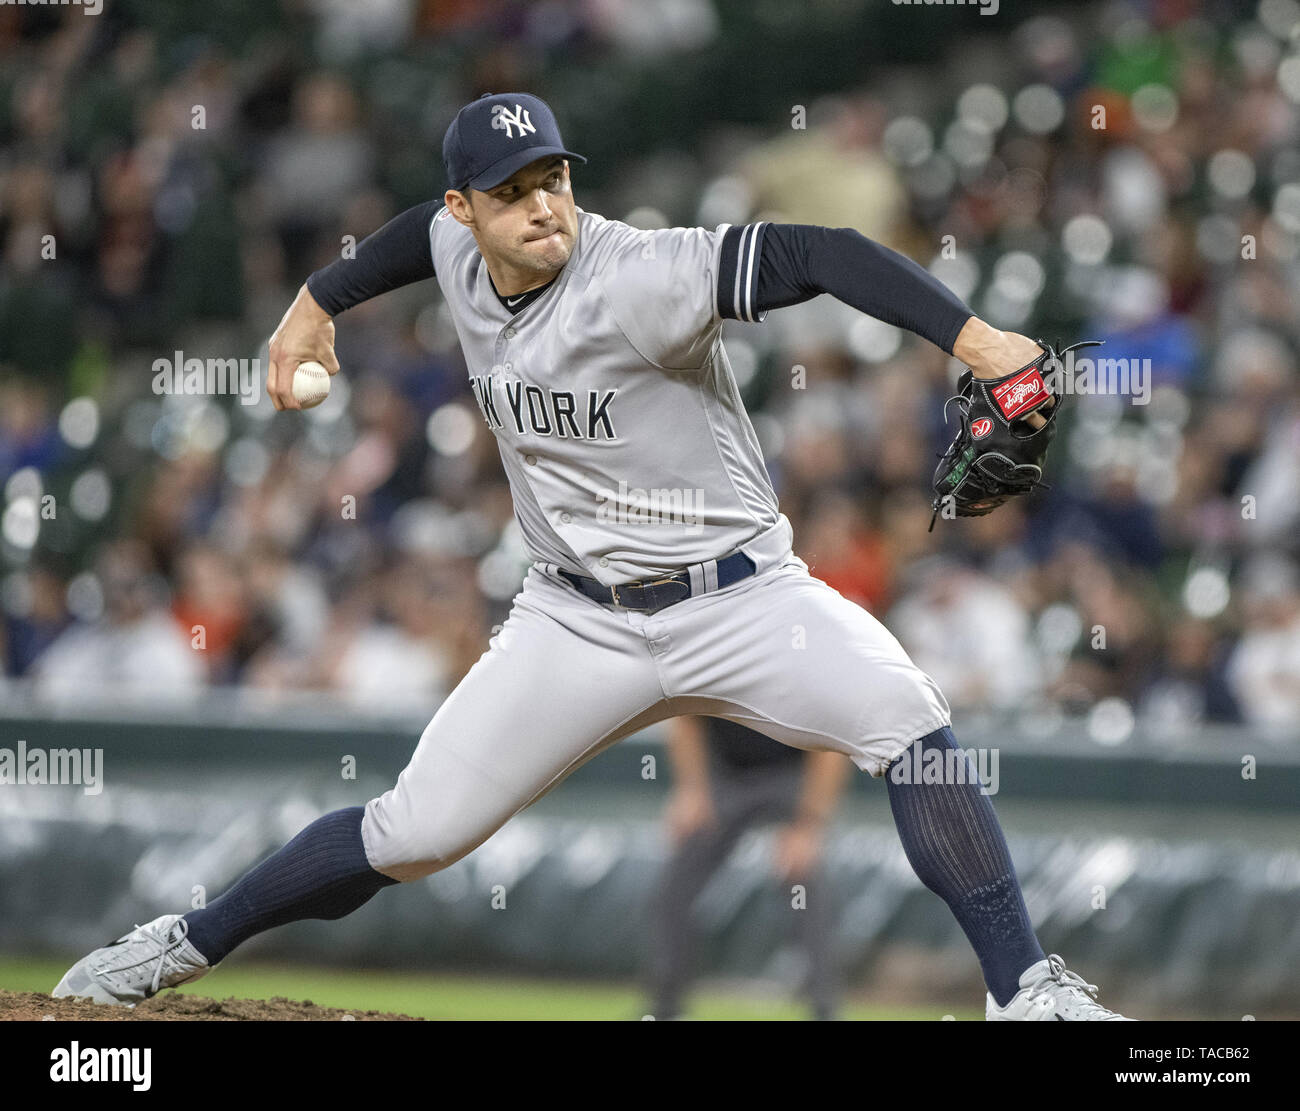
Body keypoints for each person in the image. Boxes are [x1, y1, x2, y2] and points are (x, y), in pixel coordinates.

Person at [55, 92, 1129, 1020]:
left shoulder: (641, 274)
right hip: (574, 619)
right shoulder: (451, 250)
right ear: (463, 208)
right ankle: (182, 943)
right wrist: (310, 306)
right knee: (414, 831)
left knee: (913, 724)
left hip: (739, 598)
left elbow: (818, 254)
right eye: (512, 188)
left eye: (554, 178)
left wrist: (978, 341)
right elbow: (395, 243)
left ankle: (1023, 988)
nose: (542, 204)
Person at [647, 715, 850, 1020]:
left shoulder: (800, 670)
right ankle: (665, 1010)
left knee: (807, 885)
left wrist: (808, 824)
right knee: (674, 887)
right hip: (725, 774)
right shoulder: (708, 669)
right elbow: (686, 718)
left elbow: (830, 741)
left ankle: (825, 1011)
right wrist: (691, 789)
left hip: (792, 774)